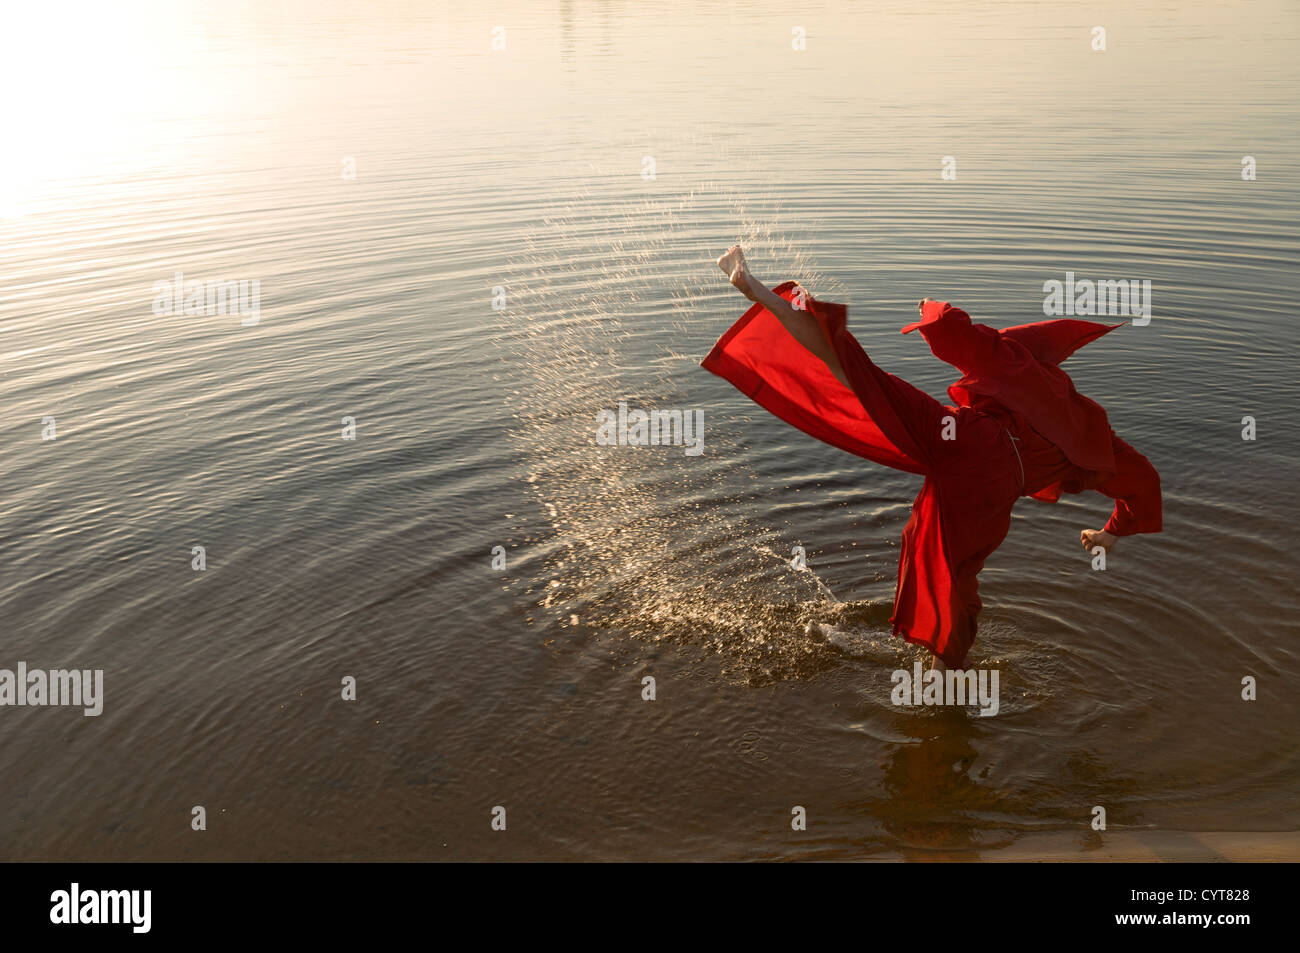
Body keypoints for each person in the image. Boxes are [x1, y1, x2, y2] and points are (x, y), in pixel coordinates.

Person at [704, 245, 1162, 670]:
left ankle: (758, 291)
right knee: (956, 578)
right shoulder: (1088, 431)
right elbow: (1143, 481)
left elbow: (958, 334)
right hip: (992, 480)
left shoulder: (1009, 367)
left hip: (961, 439)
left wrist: (929, 309)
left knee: (859, 374)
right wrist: (1109, 535)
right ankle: (945, 673)